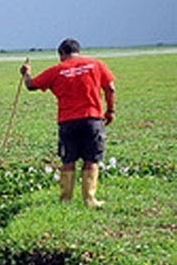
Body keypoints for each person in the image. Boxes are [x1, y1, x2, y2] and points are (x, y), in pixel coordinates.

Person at [21, 38, 116, 208]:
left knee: (68, 160)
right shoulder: (96, 64)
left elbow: (31, 85)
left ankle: (65, 199)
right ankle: (90, 199)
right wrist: (110, 111)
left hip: (67, 122)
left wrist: (26, 72)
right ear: (78, 51)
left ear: (62, 54)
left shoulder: (57, 70)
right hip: (92, 119)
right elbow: (110, 88)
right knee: (92, 159)